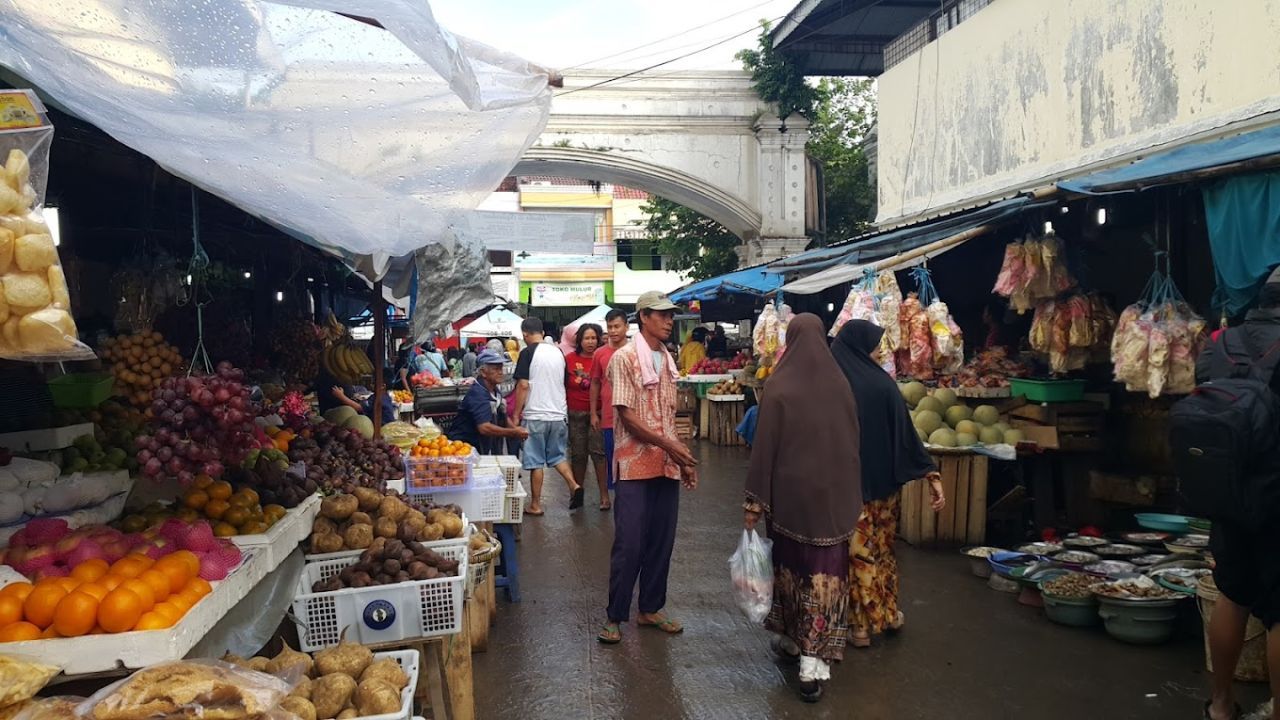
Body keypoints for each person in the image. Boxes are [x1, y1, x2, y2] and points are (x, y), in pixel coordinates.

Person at [743, 313, 863, 703]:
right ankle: (809, 662)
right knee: (824, 581)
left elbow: (764, 449)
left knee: (792, 574)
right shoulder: (840, 385)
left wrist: (754, 501)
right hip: (832, 503)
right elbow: (853, 444)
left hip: (790, 504)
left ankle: (797, 649)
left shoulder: (778, 386)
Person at [831, 320, 945, 648]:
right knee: (883, 550)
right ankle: (888, 613)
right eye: (875, 346)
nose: (878, 352)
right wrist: (931, 474)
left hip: (849, 490)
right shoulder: (883, 384)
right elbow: (906, 434)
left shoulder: (832, 385)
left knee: (857, 555)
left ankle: (860, 627)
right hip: (885, 489)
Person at [1198, 268, 1280, 720]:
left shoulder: (1221, 343)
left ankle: (1221, 703)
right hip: (1275, 493)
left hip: (1227, 488)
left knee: (1232, 593)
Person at [598, 291, 697, 646]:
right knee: (630, 542)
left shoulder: (667, 358)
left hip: (666, 465)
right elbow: (626, 415)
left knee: (661, 540)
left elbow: (668, 416)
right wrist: (670, 446)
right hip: (633, 464)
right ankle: (615, 616)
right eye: (661, 314)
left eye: (671, 315)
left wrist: (682, 457)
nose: (669, 321)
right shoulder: (624, 358)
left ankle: (650, 608)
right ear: (643, 316)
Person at [513, 317, 582, 515]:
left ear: (525, 334)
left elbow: (523, 385)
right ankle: (574, 485)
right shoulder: (558, 353)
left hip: (536, 415)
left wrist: (516, 414)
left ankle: (535, 505)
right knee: (558, 456)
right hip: (558, 415)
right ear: (542, 333)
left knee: (536, 462)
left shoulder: (527, 353)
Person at [451, 349, 530, 455]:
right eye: (496, 369)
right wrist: (513, 432)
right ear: (483, 372)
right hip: (465, 449)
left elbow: (503, 414)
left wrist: (515, 429)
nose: (501, 372)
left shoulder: (494, 390)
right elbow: (484, 428)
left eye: (501, 368)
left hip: (481, 447)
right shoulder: (478, 394)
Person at [566, 323, 609, 510]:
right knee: (578, 455)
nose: (590, 342)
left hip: (598, 414)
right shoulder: (568, 359)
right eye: (586, 338)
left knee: (599, 455)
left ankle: (604, 496)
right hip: (575, 414)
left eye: (593, 338)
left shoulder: (602, 358)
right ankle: (577, 493)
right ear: (579, 340)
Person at [591, 309, 629, 492]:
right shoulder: (599, 354)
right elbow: (595, 383)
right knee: (611, 460)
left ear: (626, 327)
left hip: (631, 416)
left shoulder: (635, 351)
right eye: (610, 327)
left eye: (617, 326)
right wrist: (593, 413)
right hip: (608, 417)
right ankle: (615, 498)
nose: (613, 331)